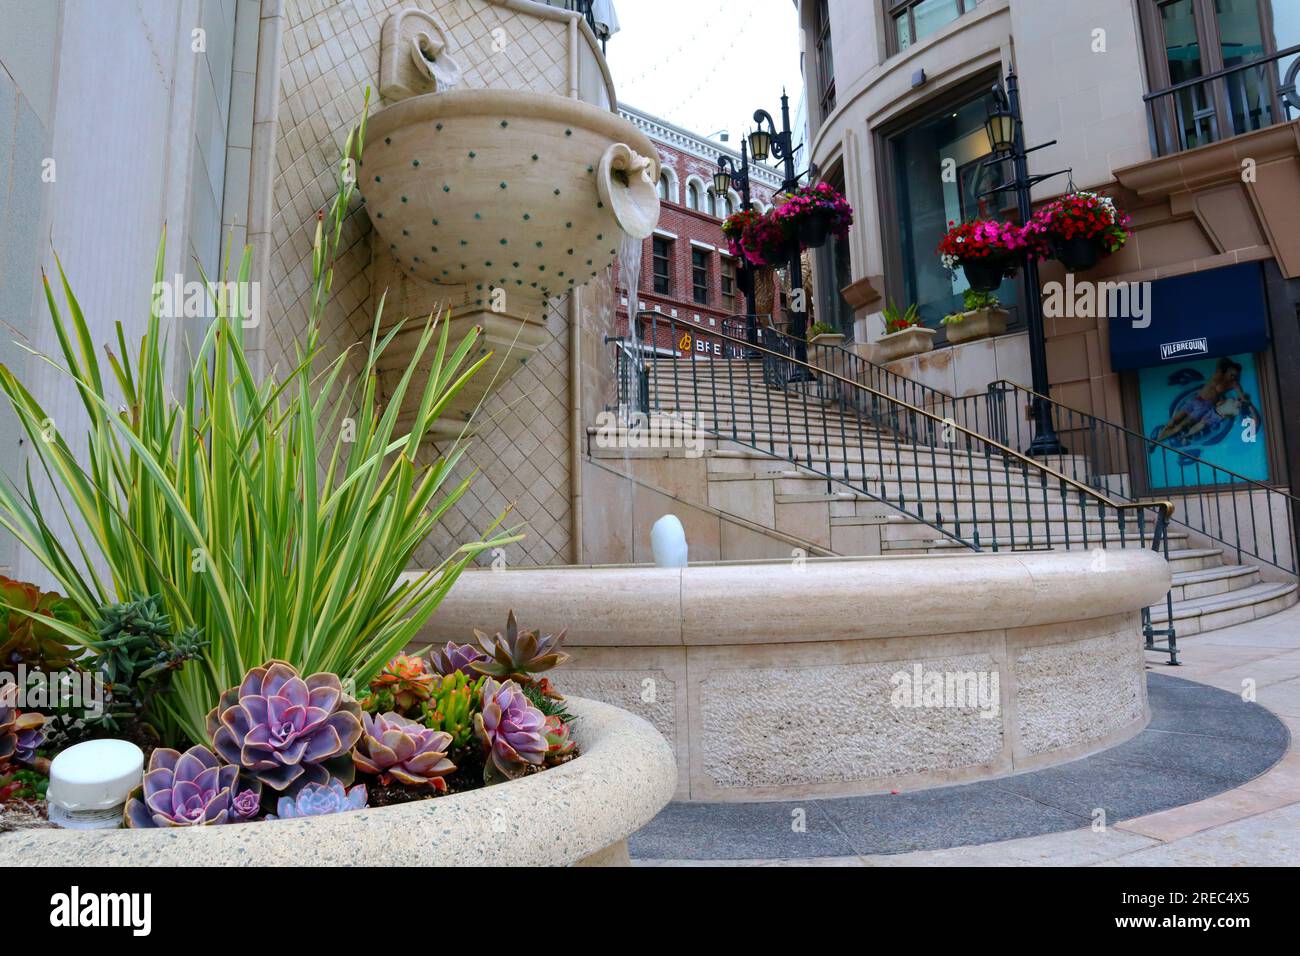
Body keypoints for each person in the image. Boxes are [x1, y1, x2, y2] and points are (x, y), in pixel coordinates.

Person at [1154, 357, 1248, 444]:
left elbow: (1243, 397)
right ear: (1227, 371)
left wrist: (1244, 403)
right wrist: (1231, 363)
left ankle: (1156, 441)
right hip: (1194, 400)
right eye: (1231, 374)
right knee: (1173, 420)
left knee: (1180, 426)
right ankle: (1158, 439)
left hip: (1204, 405)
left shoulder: (1233, 384)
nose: (1232, 377)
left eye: (1235, 376)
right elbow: (1221, 360)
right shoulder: (1218, 373)